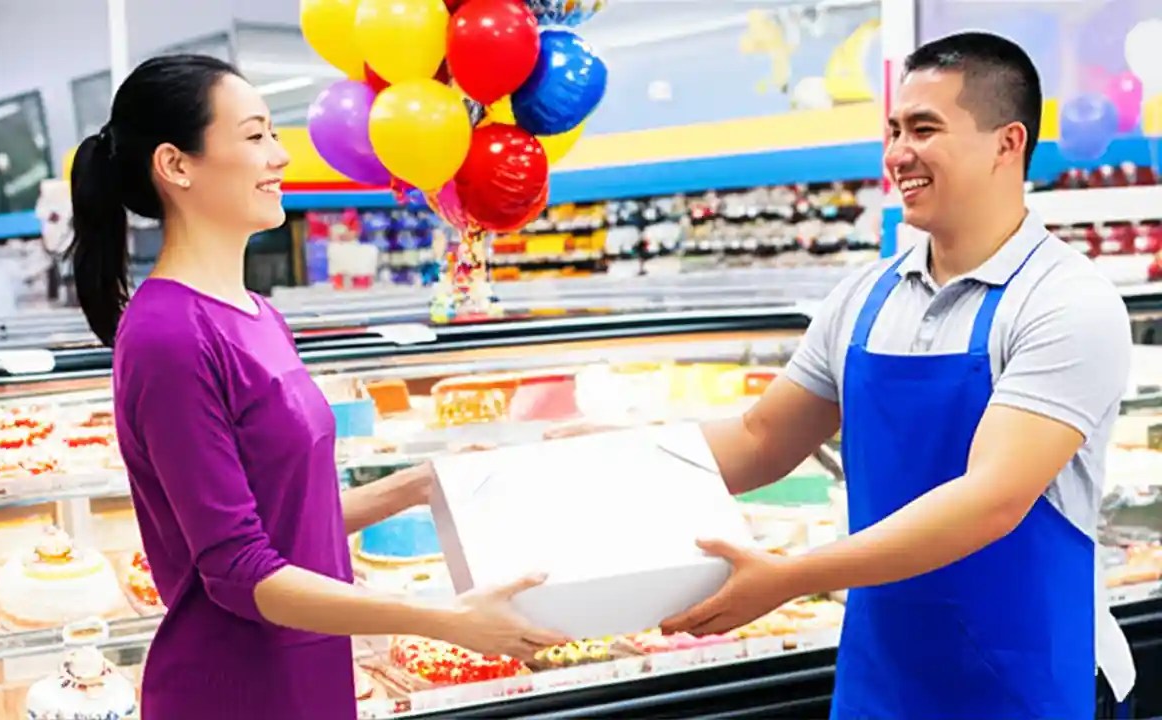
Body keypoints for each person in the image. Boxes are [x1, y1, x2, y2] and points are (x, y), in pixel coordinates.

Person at [555, 32, 1136, 718]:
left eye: (925, 129)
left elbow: (991, 500)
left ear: (1008, 144)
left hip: (1029, 679)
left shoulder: (1066, 300)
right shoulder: (863, 297)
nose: (898, 154)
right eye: (893, 130)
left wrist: (790, 578)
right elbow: (759, 439)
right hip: (885, 677)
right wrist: (591, 464)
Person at [67, 55, 566, 720]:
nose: (279, 155)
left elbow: (289, 518)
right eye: (254, 136)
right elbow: (239, 571)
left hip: (309, 670)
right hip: (233, 689)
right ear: (176, 165)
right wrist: (445, 619)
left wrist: (425, 480)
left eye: (274, 133)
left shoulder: (259, 315)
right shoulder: (168, 336)